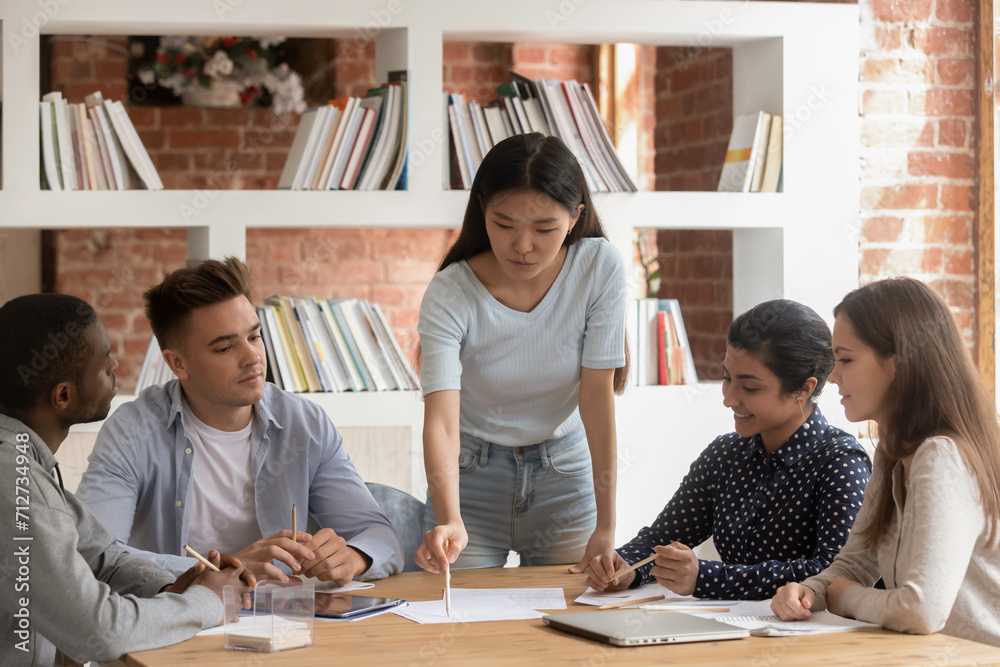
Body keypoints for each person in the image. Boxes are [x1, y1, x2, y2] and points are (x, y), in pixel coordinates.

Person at [76, 257, 403, 584]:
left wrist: (353, 557)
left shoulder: (305, 424)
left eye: (254, 337)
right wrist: (224, 570)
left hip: (283, 612)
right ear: (177, 364)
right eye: (225, 348)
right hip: (179, 611)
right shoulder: (132, 432)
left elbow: (379, 536)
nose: (252, 358)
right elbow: (95, 555)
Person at [415, 133, 629, 575]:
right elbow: (441, 421)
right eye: (504, 224)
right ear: (482, 210)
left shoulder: (598, 267)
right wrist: (449, 517)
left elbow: (596, 398)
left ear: (575, 217)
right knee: (461, 612)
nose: (523, 246)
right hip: (470, 480)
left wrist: (607, 526)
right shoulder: (450, 292)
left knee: (570, 610)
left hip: (564, 477)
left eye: (544, 229)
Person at [0, 294, 249, 667]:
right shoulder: (13, 481)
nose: (115, 365)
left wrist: (175, 586)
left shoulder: (24, 462)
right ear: (63, 396)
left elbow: (101, 557)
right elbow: (99, 630)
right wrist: (206, 602)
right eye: (103, 363)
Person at [585, 299, 872, 600]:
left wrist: (706, 578)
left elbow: (834, 572)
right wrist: (625, 567)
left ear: (804, 388)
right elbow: (659, 541)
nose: (728, 399)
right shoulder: (724, 455)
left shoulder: (841, 463)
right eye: (727, 378)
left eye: (750, 387)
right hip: (732, 625)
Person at [771, 278, 1000, 646]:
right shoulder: (891, 451)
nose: (833, 376)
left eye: (846, 359)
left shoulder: (941, 456)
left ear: (898, 363)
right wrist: (811, 591)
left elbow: (921, 610)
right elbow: (856, 563)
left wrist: (845, 598)